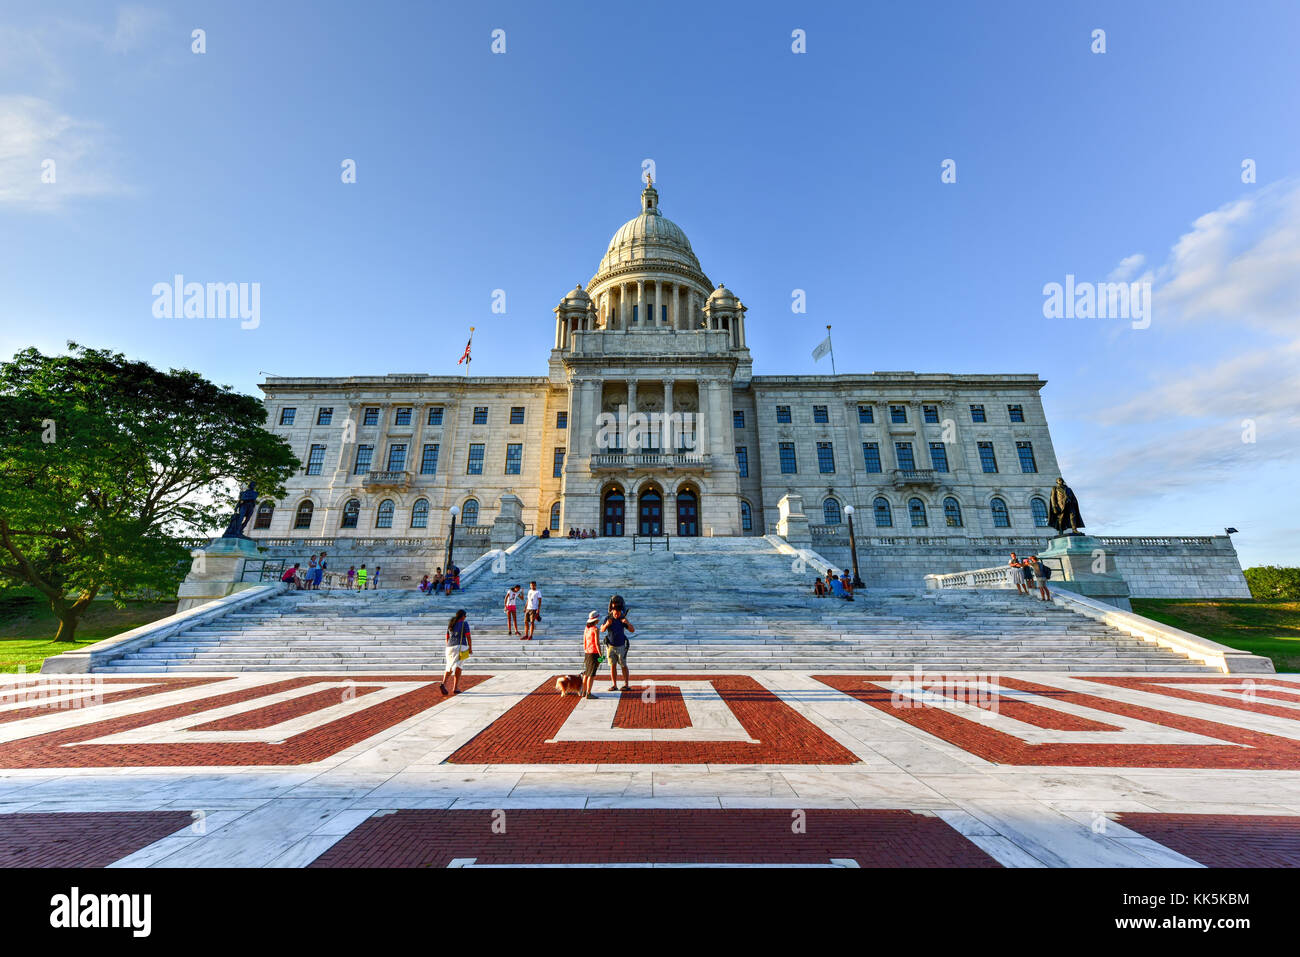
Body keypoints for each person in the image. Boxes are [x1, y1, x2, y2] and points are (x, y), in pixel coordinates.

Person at [601, 601, 634, 692]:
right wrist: (607, 624)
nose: (617, 615)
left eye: (618, 613)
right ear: (612, 611)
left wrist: (627, 623)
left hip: (621, 646)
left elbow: (632, 630)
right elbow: (602, 630)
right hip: (610, 646)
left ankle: (626, 684)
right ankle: (614, 685)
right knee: (612, 666)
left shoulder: (622, 619)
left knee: (623, 665)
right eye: (615, 613)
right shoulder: (608, 618)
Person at [440, 608, 472, 695]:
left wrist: (449, 645)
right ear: (462, 616)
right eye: (465, 616)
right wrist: (470, 648)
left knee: (449, 665)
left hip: (449, 647)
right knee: (459, 666)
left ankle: (444, 683)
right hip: (461, 646)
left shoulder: (451, 623)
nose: (465, 617)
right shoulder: (464, 623)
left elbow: (447, 637)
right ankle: (454, 687)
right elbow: (468, 636)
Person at [581, 610, 602, 699]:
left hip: (587, 652)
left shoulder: (586, 628)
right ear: (596, 620)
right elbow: (597, 643)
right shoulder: (595, 629)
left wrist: (585, 650)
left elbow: (584, 641)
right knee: (591, 674)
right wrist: (601, 654)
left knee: (586, 673)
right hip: (594, 653)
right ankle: (588, 693)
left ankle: (583, 691)